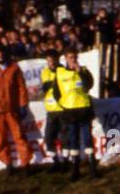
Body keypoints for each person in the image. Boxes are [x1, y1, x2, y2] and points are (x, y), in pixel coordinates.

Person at [0, 45, 32, 175]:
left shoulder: (14, 67)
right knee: (1, 138)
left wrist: (23, 104)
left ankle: (25, 163)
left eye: (1, 52)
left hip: (12, 109)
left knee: (19, 136)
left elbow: (21, 87)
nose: (0, 54)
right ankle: (7, 163)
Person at [53, 49, 98, 179]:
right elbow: (56, 92)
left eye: (74, 57)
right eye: (70, 57)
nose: (73, 59)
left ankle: (92, 167)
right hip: (70, 111)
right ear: (66, 58)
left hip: (84, 110)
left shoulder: (83, 70)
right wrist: (63, 104)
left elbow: (89, 84)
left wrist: (80, 72)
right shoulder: (60, 72)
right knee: (73, 139)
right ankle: (75, 168)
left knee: (87, 138)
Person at [38, 48, 66, 170]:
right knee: (49, 137)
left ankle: (66, 161)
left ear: (58, 59)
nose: (51, 63)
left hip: (62, 109)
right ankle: (55, 161)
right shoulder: (45, 72)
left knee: (64, 137)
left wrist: (51, 84)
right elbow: (45, 86)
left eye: (53, 60)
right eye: (48, 61)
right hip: (51, 110)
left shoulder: (64, 70)